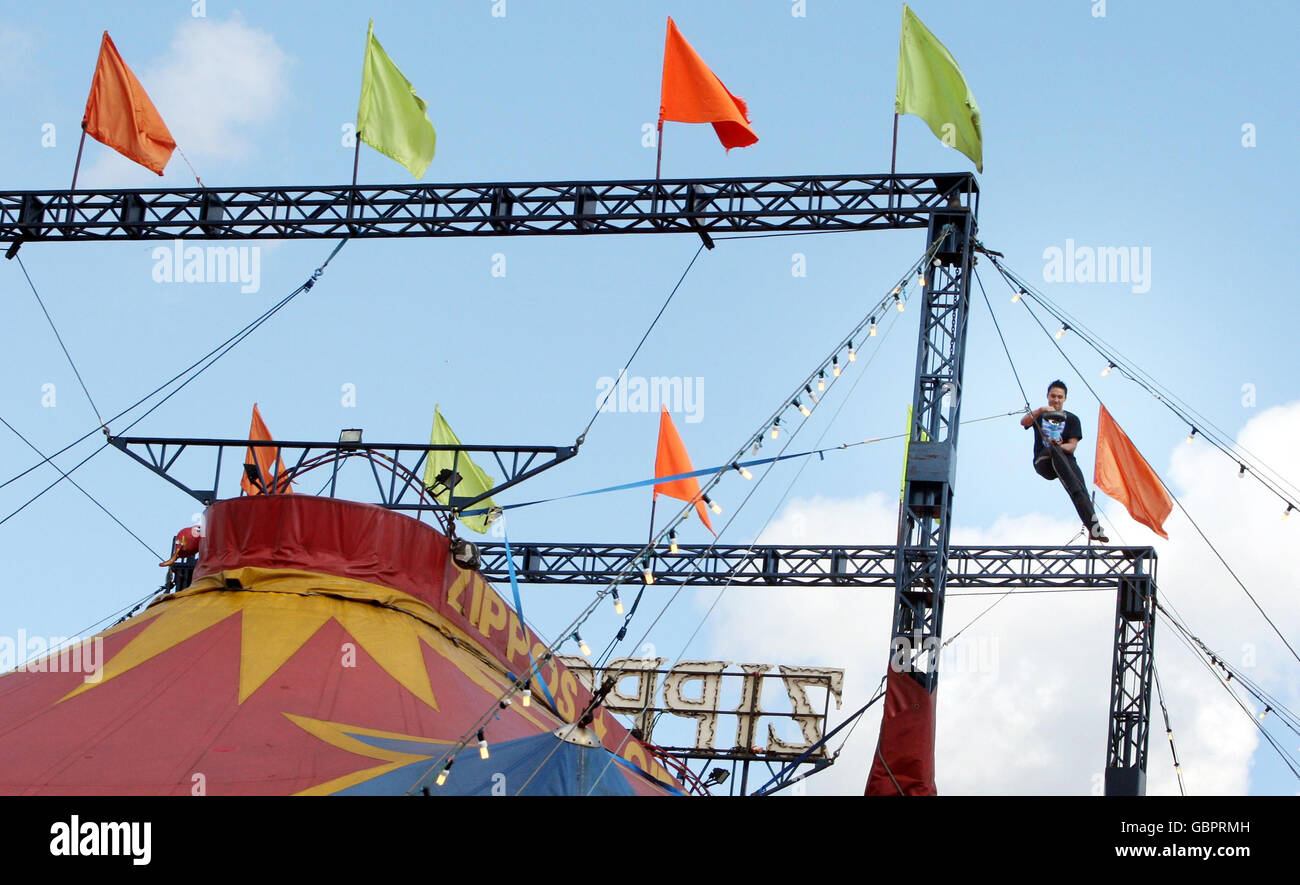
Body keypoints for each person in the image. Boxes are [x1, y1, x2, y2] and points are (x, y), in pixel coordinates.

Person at [1020, 380, 1109, 542]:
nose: (1056, 400)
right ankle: (1062, 463)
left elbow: (1072, 447)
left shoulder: (1073, 419)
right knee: (1055, 451)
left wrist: (1060, 445)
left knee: (1080, 490)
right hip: (1044, 460)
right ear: (1047, 396)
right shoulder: (1040, 415)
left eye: (1059, 397)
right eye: (1053, 396)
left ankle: (1094, 528)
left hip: (1065, 459)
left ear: (1065, 399)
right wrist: (1040, 410)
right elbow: (1024, 422)